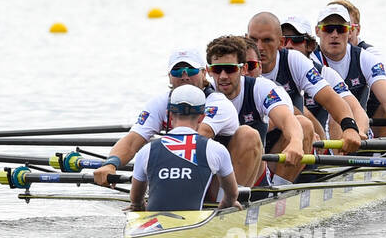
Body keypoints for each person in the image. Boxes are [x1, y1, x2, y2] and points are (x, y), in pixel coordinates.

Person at [94, 47, 261, 189]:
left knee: (248, 134)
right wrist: (110, 164)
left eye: (191, 70)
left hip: (222, 178)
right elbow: (132, 141)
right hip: (185, 173)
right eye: (177, 71)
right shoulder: (159, 103)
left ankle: (231, 203)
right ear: (169, 76)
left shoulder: (218, 103)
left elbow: (197, 138)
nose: (184, 76)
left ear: (204, 73)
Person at [246, 11, 362, 153]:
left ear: (280, 42)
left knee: (304, 125)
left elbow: (330, 98)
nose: (259, 47)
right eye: (253, 40)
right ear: (246, 38)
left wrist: (350, 127)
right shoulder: (233, 66)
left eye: (267, 40)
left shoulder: (294, 60)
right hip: (249, 140)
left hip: (285, 141)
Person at [205, 35, 309, 186]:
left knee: (250, 134)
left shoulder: (261, 88)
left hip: (255, 174)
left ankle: (280, 190)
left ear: (243, 69)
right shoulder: (203, 95)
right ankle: (227, 200)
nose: (223, 76)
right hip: (217, 178)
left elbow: (287, 119)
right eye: (217, 70)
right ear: (208, 70)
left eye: (230, 69)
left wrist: (296, 142)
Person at [128, 85, 240, 212]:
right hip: (195, 226)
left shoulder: (146, 151)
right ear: (202, 117)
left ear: (169, 115)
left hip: (151, 227)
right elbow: (232, 195)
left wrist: (139, 206)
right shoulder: (216, 149)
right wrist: (223, 210)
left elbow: (136, 198)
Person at [313, 3, 386, 137]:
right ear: (317, 31)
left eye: (341, 29)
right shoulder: (309, 60)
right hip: (320, 131)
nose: (334, 34)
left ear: (349, 32)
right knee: (338, 112)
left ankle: (379, 151)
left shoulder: (366, 58)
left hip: (359, 125)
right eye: (328, 29)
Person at [280, 15, 369, 140]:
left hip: (321, 145)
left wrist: (356, 131)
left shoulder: (326, 74)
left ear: (310, 46)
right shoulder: (263, 72)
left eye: (296, 40)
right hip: (285, 138)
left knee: (338, 115)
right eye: (283, 40)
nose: (288, 45)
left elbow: (355, 108)